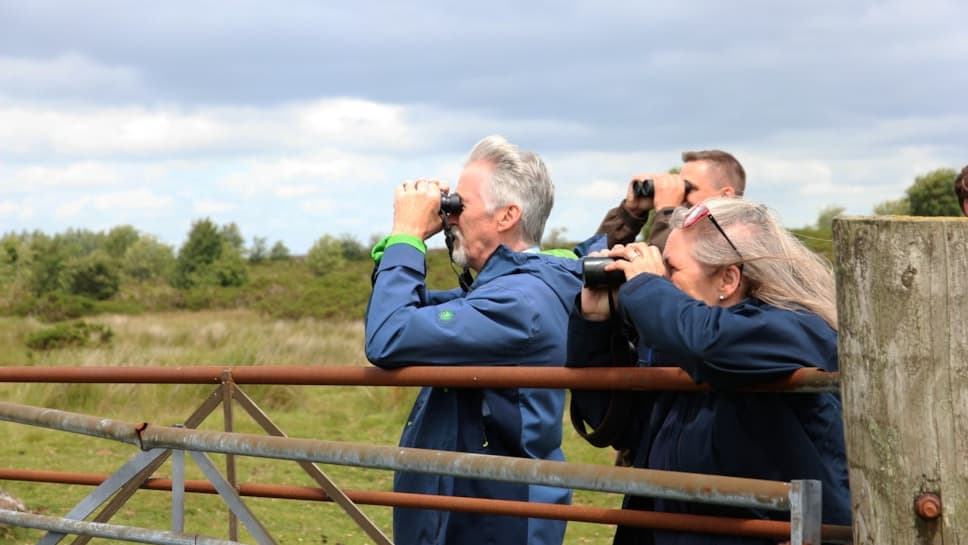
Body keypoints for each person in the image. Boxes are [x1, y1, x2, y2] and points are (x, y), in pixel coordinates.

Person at [568, 197, 851, 545]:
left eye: (672, 270)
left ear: (728, 279)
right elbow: (621, 426)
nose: (662, 280)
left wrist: (646, 286)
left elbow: (709, 343)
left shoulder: (793, 328)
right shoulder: (687, 338)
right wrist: (595, 324)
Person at [365, 135, 581, 545]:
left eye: (458, 206)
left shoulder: (519, 302)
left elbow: (388, 336)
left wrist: (407, 235)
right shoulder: (503, 291)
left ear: (507, 216)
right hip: (478, 505)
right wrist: (397, 248)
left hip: (498, 517)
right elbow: (398, 313)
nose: (449, 217)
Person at [596, 150, 746, 249]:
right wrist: (629, 215)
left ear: (726, 195)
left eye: (689, 188)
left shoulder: (738, 243)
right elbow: (594, 265)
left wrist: (667, 212)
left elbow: (665, 274)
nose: (680, 196)